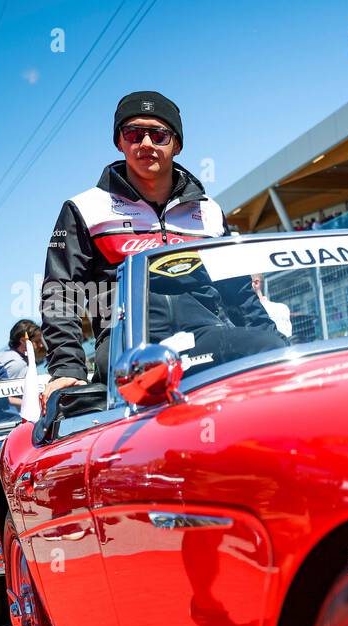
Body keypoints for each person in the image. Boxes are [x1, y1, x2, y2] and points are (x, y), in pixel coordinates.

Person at [41, 90, 231, 406]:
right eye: (133, 133)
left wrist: (272, 339)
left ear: (176, 144)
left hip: (211, 337)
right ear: (120, 142)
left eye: (158, 134)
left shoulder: (210, 211)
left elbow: (236, 289)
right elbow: (61, 292)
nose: (145, 143)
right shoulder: (84, 208)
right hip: (126, 350)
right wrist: (66, 368)